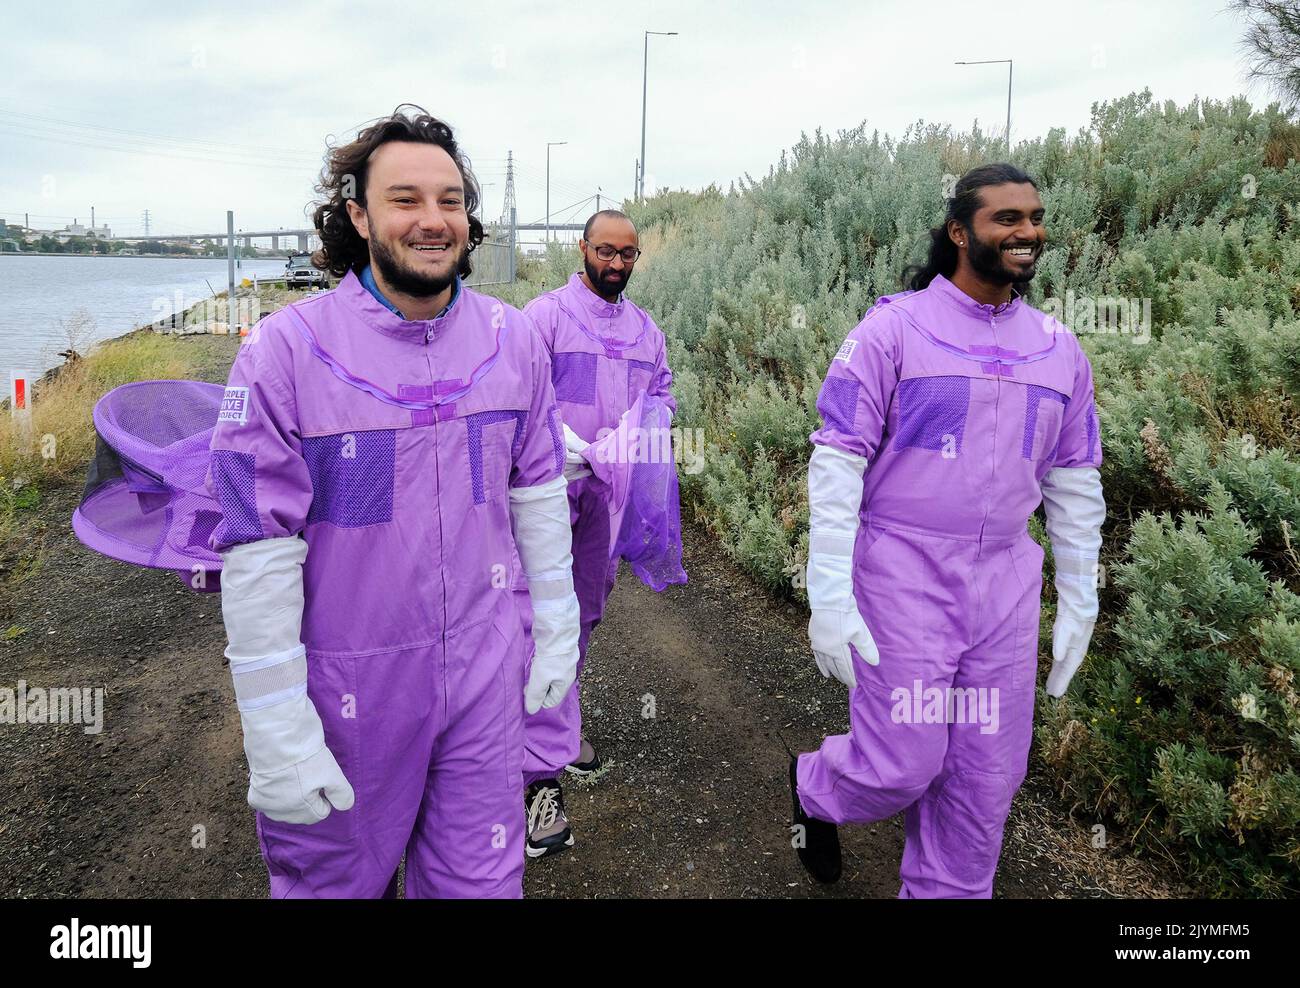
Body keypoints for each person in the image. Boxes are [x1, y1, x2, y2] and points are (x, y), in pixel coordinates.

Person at [208, 105, 580, 898]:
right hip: (347, 695)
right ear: (358, 214)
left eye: (450, 200)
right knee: (333, 886)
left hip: (485, 679)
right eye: (405, 199)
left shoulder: (514, 342)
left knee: (482, 884)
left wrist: (554, 626)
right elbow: (254, 546)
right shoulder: (285, 353)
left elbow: (540, 493)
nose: (432, 219)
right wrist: (275, 723)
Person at [789, 163, 1105, 897]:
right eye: (1006, 219)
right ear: (961, 232)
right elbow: (837, 461)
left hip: (1004, 585)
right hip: (902, 573)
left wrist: (1081, 594)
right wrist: (828, 592)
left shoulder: (1058, 349)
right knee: (901, 760)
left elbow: (1074, 476)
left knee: (986, 774)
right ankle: (816, 787)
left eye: (1034, 216)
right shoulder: (893, 330)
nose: (1027, 231)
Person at [517, 210, 677, 857]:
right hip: (544, 493)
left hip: (607, 497)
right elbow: (520, 393)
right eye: (605, 251)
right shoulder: (545, 317)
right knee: (540, 615)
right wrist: (572, 444)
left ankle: (555, 722)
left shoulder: (646, 333)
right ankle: (537, 778)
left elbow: (660, 398)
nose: (616, 264)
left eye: (628, 255)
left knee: (584, 611)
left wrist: (626, 441)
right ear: (582, 248)